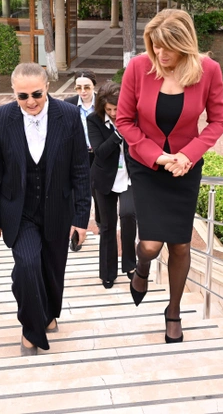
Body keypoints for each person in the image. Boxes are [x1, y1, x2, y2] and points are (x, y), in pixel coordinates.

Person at [116, 9, 223, 344]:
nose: (159, 55)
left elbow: (218, 121)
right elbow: (124, 121)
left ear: (185, 45)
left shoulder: (209, 70)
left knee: (180, 244)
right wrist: (157, 156)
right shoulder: (138, 67)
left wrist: (188, 155)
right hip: (146, 164)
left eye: (167, 48)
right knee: (149, 245)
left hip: (184, 168)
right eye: (154, 46)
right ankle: (143, 267)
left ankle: (173, 311)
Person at [0, 62, 91, 356]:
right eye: (22, 96)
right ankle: (31, 330)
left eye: (36, 94)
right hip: (20, 213)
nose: (30, 102)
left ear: (47, 88)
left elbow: (81, 170)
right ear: (14, 93)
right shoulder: (1, 117)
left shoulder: (68, 115)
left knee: (53, 272)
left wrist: (81, 219)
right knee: (27, 266)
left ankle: (48, 312)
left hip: (59, 210)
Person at [87, 81, 136, 289]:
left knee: (128, 215)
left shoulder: (135, 118)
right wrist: (118, 133)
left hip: (130, 177)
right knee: (107, 226)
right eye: (109, 110)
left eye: (117, 108)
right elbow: (99, 151)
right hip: (104, 179)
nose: (114, 113)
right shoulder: (93, 120)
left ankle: (130, 267)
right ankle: (108, 273)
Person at [65, 69, 101, 239]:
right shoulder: (69, 104)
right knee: (77, 194)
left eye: (87, 87)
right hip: (77, 156)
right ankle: (77, 233)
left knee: (99, 192)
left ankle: (102, 226)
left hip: (99, 155)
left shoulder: (102, 103)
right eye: (78, 88)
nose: (83, 92)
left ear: (94, 86)